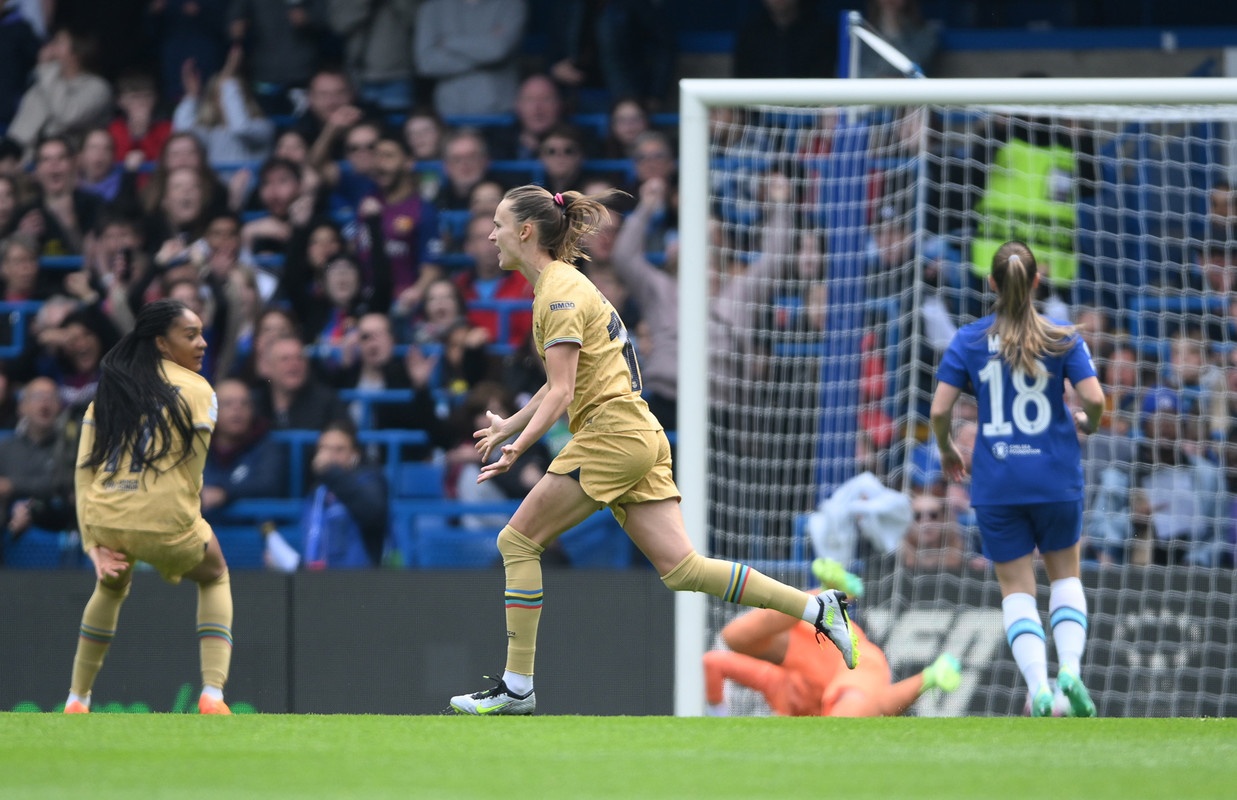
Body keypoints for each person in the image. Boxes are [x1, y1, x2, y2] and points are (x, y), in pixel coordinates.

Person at [447, 185, 859, 716]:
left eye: (498, 224)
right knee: (684, 569)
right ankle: (816, 607)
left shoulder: (560, 292)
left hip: (612, 434)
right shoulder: (558, 287)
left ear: (525, 231)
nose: (490, 234)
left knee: (518, 543)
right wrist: (511, 427)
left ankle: (516, 686)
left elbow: (563, 391)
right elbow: (558, 389)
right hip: (634, 432)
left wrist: (518, 446)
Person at [929, 240, 1104, 718]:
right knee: (1066, 577)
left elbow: (940, 410)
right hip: (1054, 478)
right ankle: (1069, 669)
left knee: (1017, 590)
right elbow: (1096, 400)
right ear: (1036, 282)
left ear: (991, 284)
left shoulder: (968, 339)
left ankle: (1038, 688)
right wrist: (1090, 424)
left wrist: (947, 450)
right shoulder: (1063, 337)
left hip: (998, 482)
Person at [64, 298, 235, 715]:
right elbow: (192, 474)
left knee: (111, 584)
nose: (203, 343)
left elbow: (83, 473)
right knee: (215, 575)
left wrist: (93, 544)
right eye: (190, 335)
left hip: (106, 519)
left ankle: (77, 698)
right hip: (165, 522)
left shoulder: (109, 389)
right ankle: (212, 694)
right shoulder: (199, 390)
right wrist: (182, 528)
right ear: (161, 342)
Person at [703, 562, 961, 718]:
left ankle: (822, 599)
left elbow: (714, 662)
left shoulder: (777, 685)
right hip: (824, 645)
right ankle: (824, 597)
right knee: (733, 638)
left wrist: (718, 715)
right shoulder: (792, 696)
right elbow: (714, 660)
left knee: (847, 720)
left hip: (853, 658)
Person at [267, 419, 390, 571]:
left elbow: (373, 512)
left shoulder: (368, 480)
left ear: (355, 454)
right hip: (318, 584)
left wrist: (331, 473)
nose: (329, 456)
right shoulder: (316, 493)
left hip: (359, 584)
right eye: (324, 449)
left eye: (338, 450)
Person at [414, 0, 527, 118]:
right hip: (449, 111)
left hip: (500, 111)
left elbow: (497, 50)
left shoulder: (512, 4)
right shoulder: (432, 8)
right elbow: (426, 63)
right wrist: (485, 49)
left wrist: (448, 42)